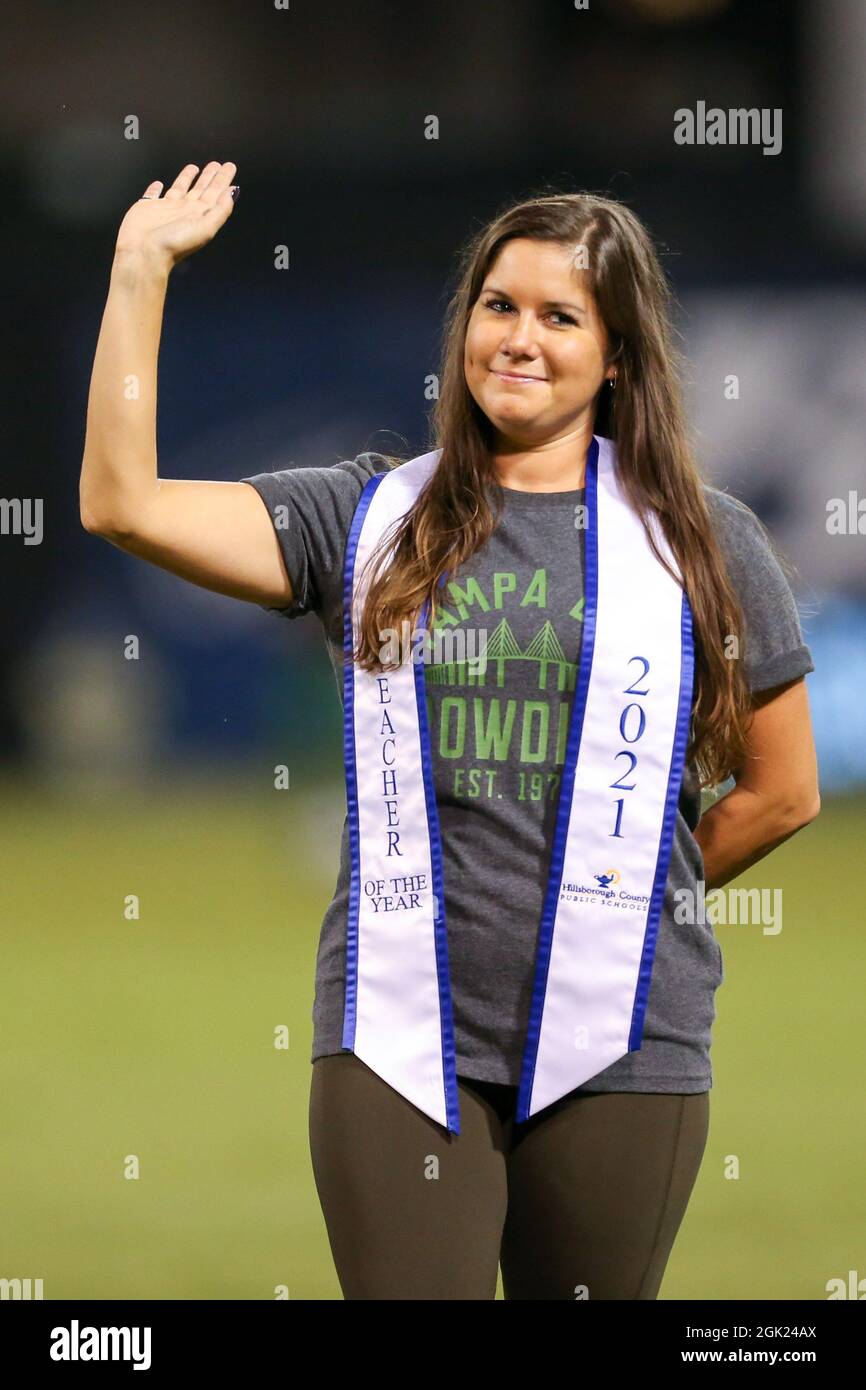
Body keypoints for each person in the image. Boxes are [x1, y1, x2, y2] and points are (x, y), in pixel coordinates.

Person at [80, 164, 820, 1300]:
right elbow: (122, 503)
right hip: (397, 1034)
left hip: (625, 1033)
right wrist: (138, 273)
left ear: (616, 355)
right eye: (497, 305)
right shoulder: (365, 516)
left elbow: (781, 789)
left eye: (559, 316)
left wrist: (619, 903)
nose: (518, 338)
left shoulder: (704, 540)